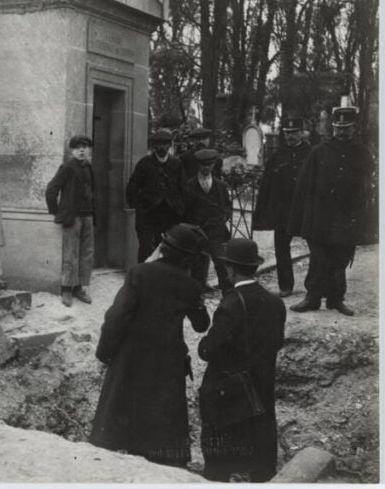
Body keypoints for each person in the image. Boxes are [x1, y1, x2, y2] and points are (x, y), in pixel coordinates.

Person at [90, 223, 210, 467]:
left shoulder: (139, 273)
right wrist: (194, 289)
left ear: (163, 248)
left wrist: (105, 353)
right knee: (160, 419)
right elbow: (202, 325)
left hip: (131, 357)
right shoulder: (189, 285)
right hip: (168, 361)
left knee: (123, 414)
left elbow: (117, 317)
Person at [198, 238, 286, 482]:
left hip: (229, 392)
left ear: (230, 269)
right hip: (261, 388)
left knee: (219, 463)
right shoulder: (276, 303)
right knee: (260, 456)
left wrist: (203, 344)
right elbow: (277, 343)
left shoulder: (231, 304)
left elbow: (209, 351)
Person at [287, 106, 375, 316]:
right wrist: (302, 217)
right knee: (319, 257)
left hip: (347, 215)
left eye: (346, 127)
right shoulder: (320, 151)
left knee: (341, 258)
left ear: (353, 127)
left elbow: (370, 184)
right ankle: (313, 298)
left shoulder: (361, 152)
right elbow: (304, 186)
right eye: (338, 127)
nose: (341, 131)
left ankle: (336, 300)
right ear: (333, 127)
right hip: (321, 217)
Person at [252, 117, 312, 297]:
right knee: (281, 249)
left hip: (305, 209)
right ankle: (286, 285)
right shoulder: (277, 157)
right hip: (283, 212)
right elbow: (266, 187)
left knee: (316, 248)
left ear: (302, 133)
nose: (291, 136)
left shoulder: (312, 154)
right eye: (288, 133)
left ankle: (314, 285)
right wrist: (264, 212)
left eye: (294, 133)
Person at [45, 134, 96, 307]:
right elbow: (51, 190)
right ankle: (66, 288)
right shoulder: (67, 167)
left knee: (86, 253)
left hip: (88, 215)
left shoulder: (89, 167)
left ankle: (79, 287)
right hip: (73, 217)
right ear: (72, 150)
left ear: (89, 149)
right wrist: (56, 212)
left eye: (85, 147)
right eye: (78, 147)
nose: (82, 150)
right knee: (71, 253)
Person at [125, 128, 187, 263]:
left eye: (165, 143)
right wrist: (139, 208)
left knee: (168, 248)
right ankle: (143, 278)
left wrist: (180, 209)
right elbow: (132, 189)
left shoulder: (177, 164)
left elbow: (183, 189)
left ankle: (162, 279)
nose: (162, 147)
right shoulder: (144, 163)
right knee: (146, 248)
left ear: (170, 145)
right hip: (148, 215)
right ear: (154, 146)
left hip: (170, 215)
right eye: (158, 144)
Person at [185, 148, 232, 292]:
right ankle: (197, 292)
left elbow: (227, 207)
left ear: (213, 165)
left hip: (216, 231)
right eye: (203, 165)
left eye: (209, 165)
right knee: (197, 263)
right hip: (197, 230)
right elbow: (185, 210)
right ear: (198, 166)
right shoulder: (190, 185)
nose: (206, 168)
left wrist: (220, 220)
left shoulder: (220, 185)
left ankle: (227, 292)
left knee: (221, 262)